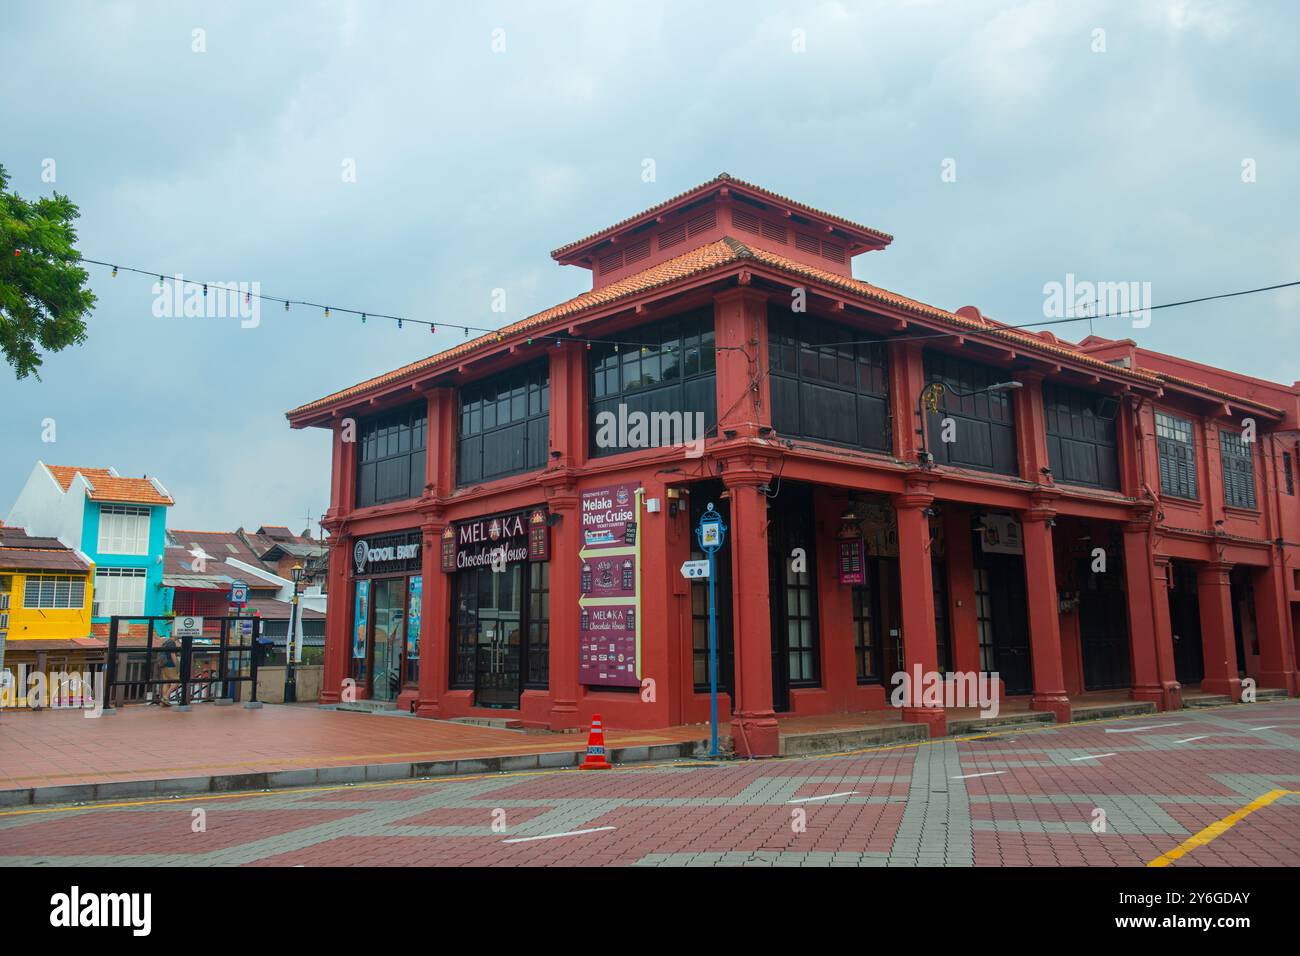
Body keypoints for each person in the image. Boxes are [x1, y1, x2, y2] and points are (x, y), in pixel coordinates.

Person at [156, 633, 180, 705]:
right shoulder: (172, 643)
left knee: (166, 683)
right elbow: (173, 656)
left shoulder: (166, 642)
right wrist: (178, 666)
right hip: (170, 664)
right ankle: (166, 697)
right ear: (174, 635)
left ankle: (163, 702)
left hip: (163, 664)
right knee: (177, 681)